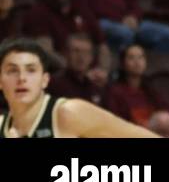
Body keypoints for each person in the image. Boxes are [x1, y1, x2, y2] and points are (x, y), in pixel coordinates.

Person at [0, 38, 158, 137]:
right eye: (12, 70)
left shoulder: (68, 112)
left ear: (45, 80)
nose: (21, 78)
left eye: (31, 70)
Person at [105, 43, 164, 126]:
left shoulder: (150, 91)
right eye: (131, 58)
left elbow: (165, 114)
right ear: (122, 63)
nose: (137, 62)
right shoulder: (115, 92)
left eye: (141, 57)